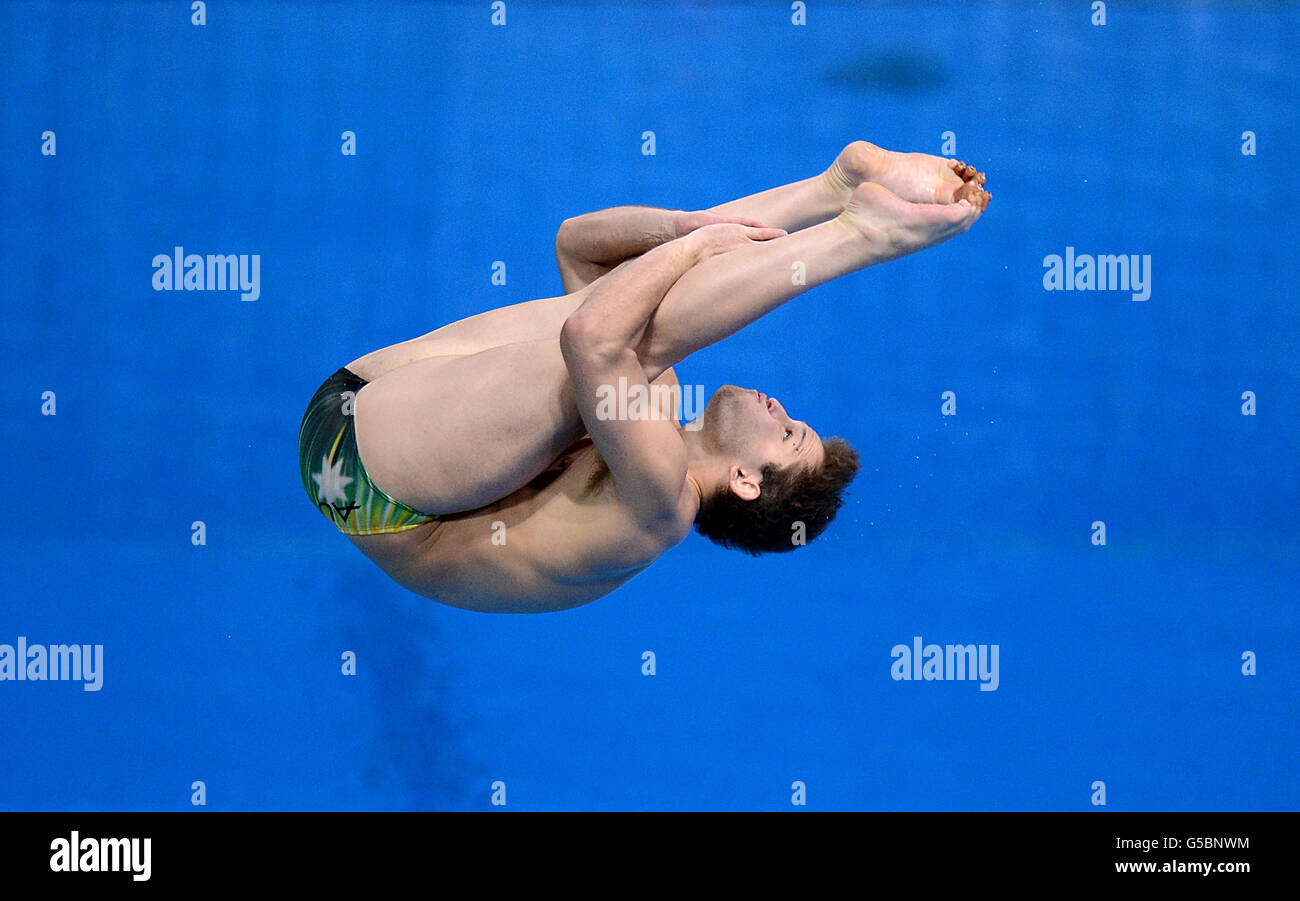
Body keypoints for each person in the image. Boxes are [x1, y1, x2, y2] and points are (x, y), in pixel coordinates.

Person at [298, 141, 990, 613]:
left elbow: (589, 339)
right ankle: (829, 190)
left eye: (787, 433)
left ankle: (860, 236)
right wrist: (689, 229)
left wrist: (692, 249)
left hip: (372, 484)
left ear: (747, 481)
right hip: (364, 395)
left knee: (625, 339)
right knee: (629, 315)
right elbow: (577, 241)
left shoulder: (662, 508)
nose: (780, 408)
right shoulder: (652, 405)